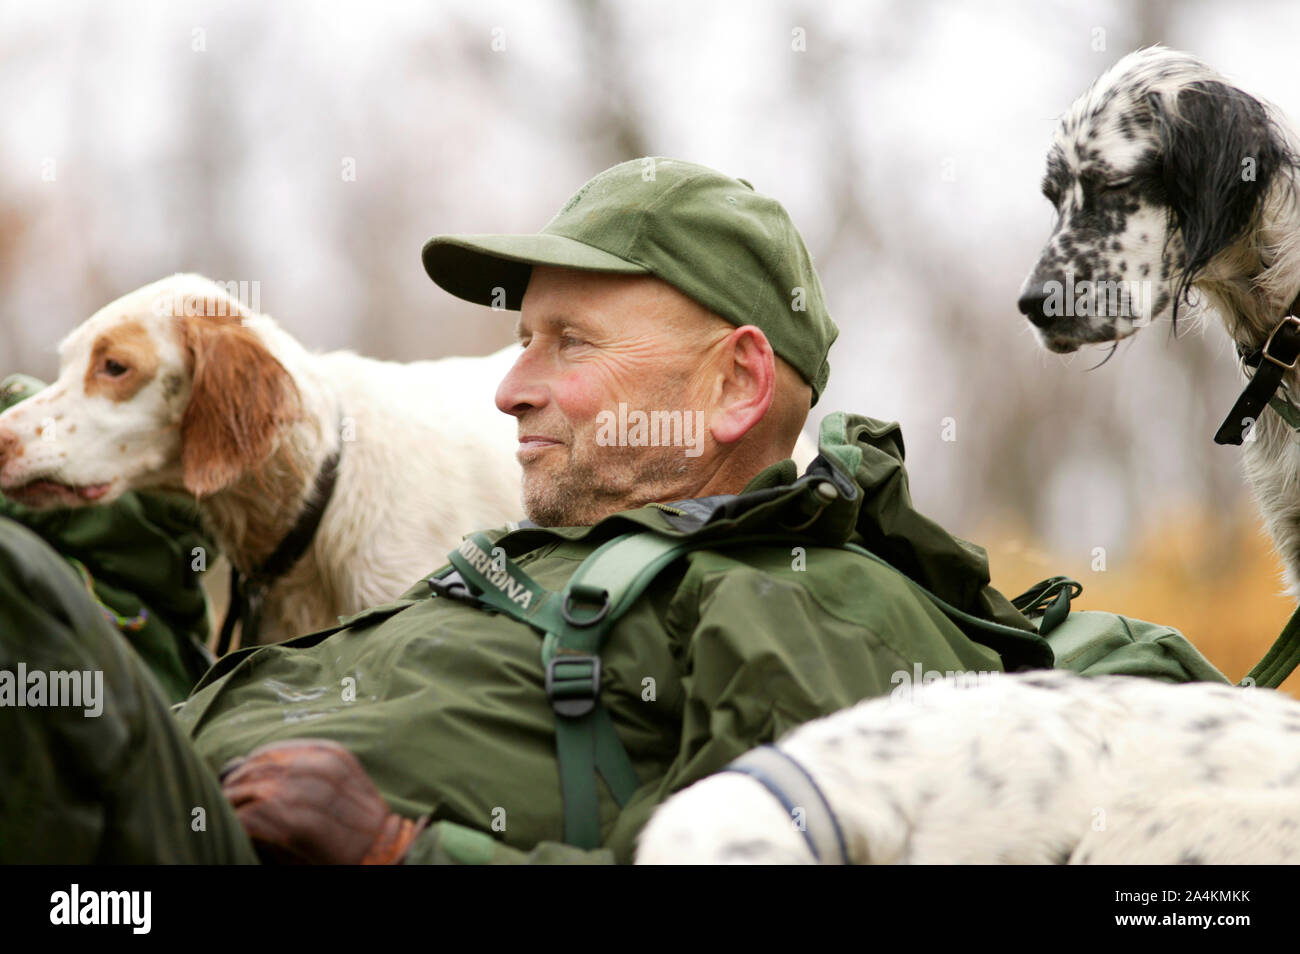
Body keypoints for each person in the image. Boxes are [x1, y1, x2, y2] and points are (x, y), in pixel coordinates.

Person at [0, 157, 1044, 864]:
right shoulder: (532, 546)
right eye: (520, 340)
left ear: (735, 386)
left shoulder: (807, 605)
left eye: (567, 344)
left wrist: (400, 848)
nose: (506, 388)